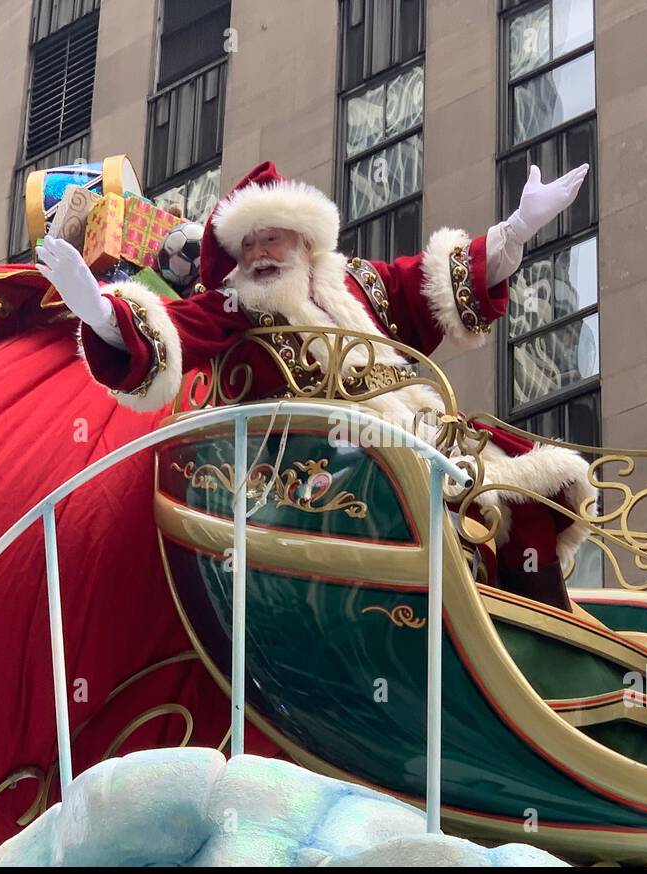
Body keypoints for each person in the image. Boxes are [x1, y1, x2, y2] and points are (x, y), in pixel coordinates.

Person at [39, 159, 595, 610]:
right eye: (247, 245)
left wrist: (516, 229)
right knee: (446, 486)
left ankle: (541, 618)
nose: (258, 255)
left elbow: (436, 285)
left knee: (529, 478)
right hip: (319, 460)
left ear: (305, 242)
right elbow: (175, 329)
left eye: (271, 240)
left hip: (422, 434)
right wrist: (102, 315)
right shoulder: (236, 304)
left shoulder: (357, 283)